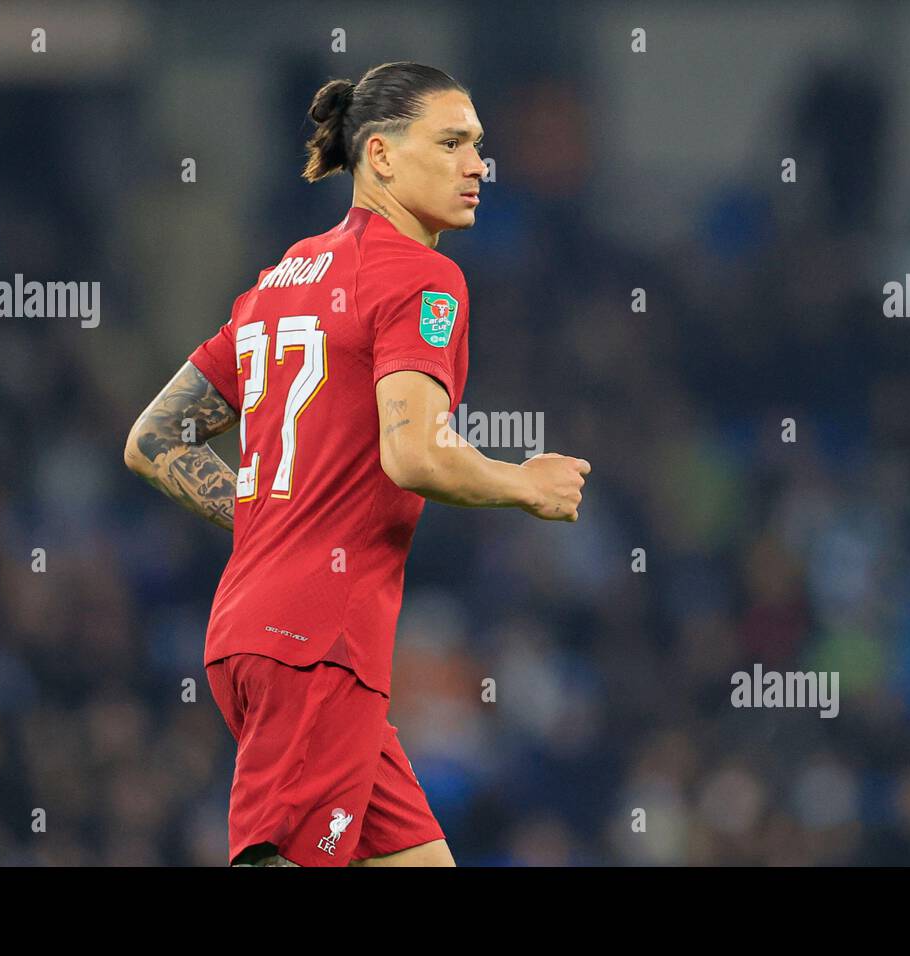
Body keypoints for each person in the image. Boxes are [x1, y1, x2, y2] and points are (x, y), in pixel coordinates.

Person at [123, 61, 590, 867]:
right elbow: (413, 454)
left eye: (478, 145)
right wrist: (526, 485)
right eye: (450, 143)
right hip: (317, 637)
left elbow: (154, 440)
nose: (478, 165)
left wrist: (275, 520)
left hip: (257, 626)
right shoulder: (421, 278)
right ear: (378, 156)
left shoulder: (278, 281)